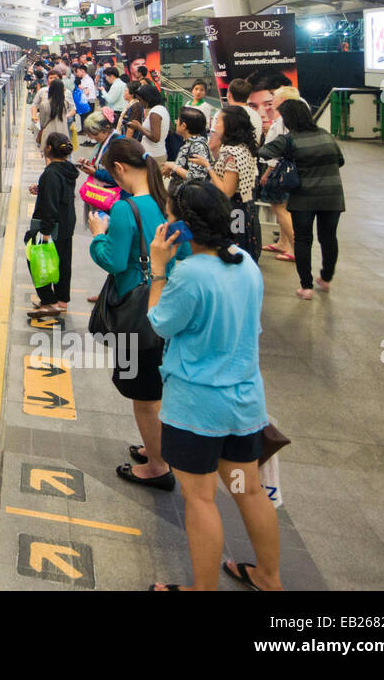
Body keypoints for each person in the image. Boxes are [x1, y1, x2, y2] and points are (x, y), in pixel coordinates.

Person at [145, 182, 280, 592]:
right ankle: (269, 578)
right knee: (248, 490)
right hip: (244, 405)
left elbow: (159, 323)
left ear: (183, 228)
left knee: (200, 498)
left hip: (197, 409)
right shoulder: (246, 263)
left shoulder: (189, 275)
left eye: (169, 217)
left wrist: (158, 270)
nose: (165, 223)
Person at [89, 138, 190, 490]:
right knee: (156, 385)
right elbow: (186, 252)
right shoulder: (168, 202)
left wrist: (97, 237)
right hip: (170, 306)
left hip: (137, 314)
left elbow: (114, 261)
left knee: (144, 397)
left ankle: (157, 467)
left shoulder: (122, 209)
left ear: (118, 169)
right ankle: (153, 447)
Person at [257, 98, 345, 301]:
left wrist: (287, 156)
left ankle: (306, 287)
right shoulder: (325, 135)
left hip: (303, 197)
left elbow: (264, 151)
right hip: (332, 196)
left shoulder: (290, 139)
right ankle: (326, 278)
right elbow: (340, 160)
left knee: (304, 240)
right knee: (329, 238)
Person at [196, 105, 260, 261]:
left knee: (231, 252)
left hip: (231, 210)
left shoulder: (230, 152)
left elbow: (227, 191)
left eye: (218, 121)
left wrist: (208, 167)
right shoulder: (244, 147)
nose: (214, 125)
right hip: (242, 208)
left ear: (229, 125)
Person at [26, 133, 78, 318]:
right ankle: (62, 300)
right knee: (63, 262)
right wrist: (41, 190)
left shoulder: (50, 173)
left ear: (49, 149)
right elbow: (59, 193)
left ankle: (49, 301)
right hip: (66, 223)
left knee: (37, 259)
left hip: (52, 226)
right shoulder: (68, 169)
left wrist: (45, 233)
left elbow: (50, 205)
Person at [257, 86, 303, 262]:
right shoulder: (288, 119)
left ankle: (295, 248)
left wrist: (268, 172)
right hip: (285, 168)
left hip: (279, 169)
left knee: (279, 208)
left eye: (274, 98)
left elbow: (279, 149)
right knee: (284, 207)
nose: (271, 101)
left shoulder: (284, 121)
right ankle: (283, 243)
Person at [162, 106, 212, 193]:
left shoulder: (197, 146)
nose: (176, 122)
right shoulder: (190, 142)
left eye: (178, 120)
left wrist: (173, 166)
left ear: (184, 126)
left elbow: (195, 177)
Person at [123, 82, 170, 165]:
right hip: (156, 152)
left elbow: (155, 138)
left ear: (148, 99)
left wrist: (139, 127)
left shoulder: (155, 113)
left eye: (140, 100)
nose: (139, 103)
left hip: (153, 155)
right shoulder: (161, 109)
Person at [34, 78, 74, 152]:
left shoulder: (44, 104)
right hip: (63, 133)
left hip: (49, 134)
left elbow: (42, 123)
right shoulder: (65, 104)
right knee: (62, 156)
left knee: (49, 156)